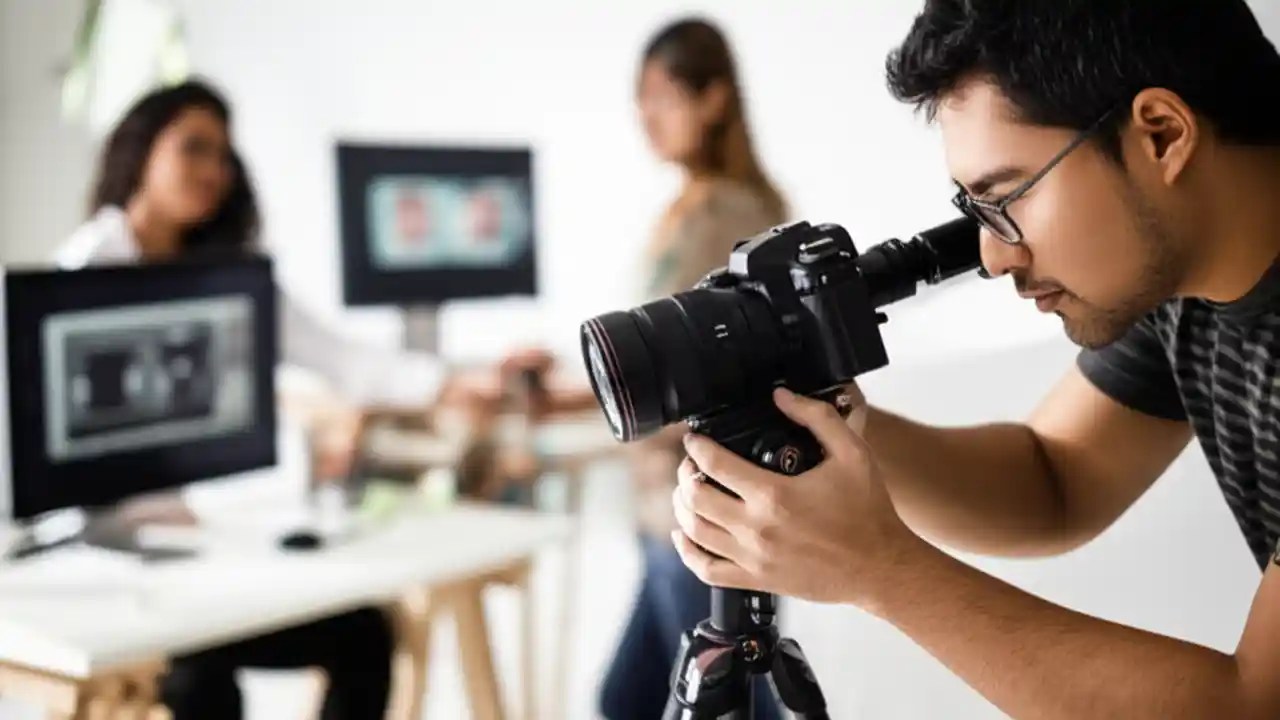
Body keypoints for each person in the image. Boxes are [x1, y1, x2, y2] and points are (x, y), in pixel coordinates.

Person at [669, 1, 1280, 717]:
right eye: (975, 214)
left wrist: (878, 571)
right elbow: (1053, 481)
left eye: (1005, 197)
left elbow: (1252, 703)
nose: (993, 255)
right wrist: (820, 419)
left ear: (1161, 134)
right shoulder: (1180, 285)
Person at [59, 79, 496, 720]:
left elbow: (342, 358)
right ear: (141, 151)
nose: (213, 171)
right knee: (199, 681)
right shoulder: (83, 270)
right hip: (97, 570)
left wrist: (453, 383)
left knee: (364, 636)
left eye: (224, 157)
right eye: (194, 149)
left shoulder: (229, 276)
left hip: (192, 551)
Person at [538, 17, 789, 719]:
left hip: (703, 516)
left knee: (726, 705)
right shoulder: (690, 210)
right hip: (668, 516)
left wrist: (560, 402)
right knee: (627, 700)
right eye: (640, 98)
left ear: (712, 99)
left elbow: (672, 376)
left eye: (661, 95)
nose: (645, 115)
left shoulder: (724, 215)